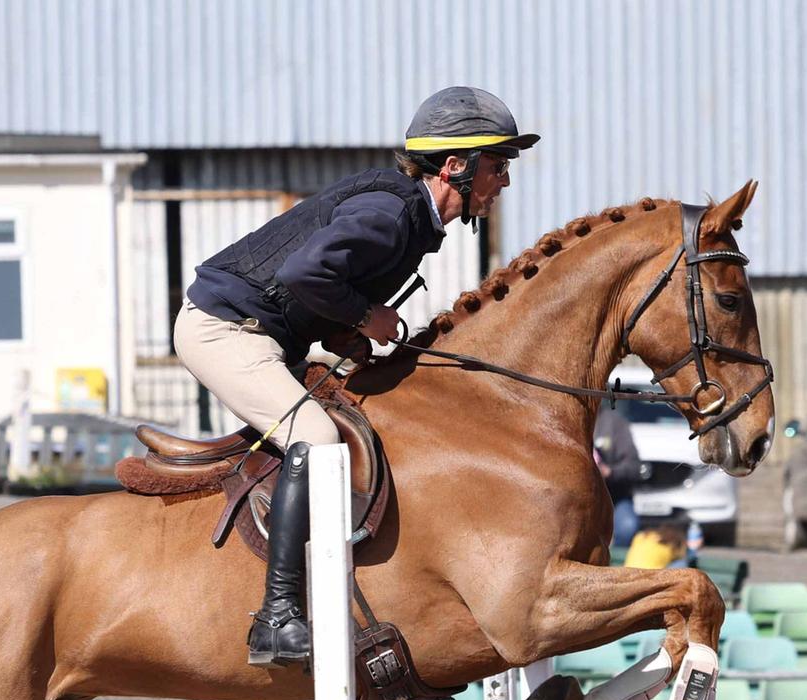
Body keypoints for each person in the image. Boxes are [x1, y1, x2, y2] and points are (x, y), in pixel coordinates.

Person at [175, 86, 538, 668]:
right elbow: (303, 273)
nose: (505, 182)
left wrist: (344, 332)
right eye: (497, 166)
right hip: (225, 331)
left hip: (264, 331)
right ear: (455, 167)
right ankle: (276, 616)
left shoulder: (411, 219)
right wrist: (367, 316)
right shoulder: (391, 213)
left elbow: (314, 290)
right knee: (316, 441)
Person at [593, 405, 643, 548]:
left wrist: (609, 472)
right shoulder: (567, 420)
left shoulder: (614, 423)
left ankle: (616, 565)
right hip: (578, 498)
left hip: (614, 496)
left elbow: (634, 467)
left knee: (627, 527)